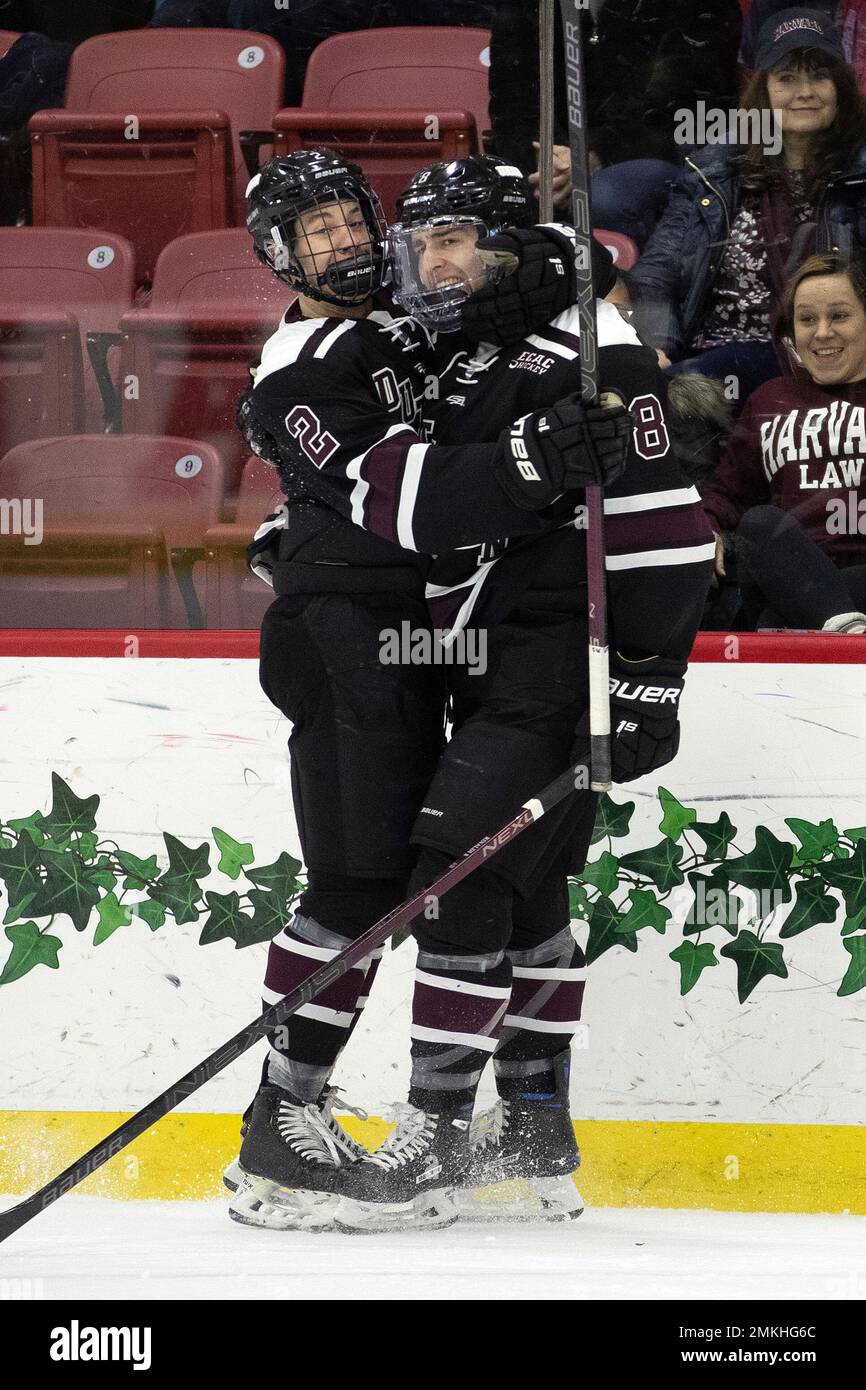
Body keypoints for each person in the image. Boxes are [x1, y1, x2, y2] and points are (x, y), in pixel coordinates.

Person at [231, 154, 714, 1233]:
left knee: (487, 883)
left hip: (533, 656)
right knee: (381, 883)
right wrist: (533, 451)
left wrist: (646, 677)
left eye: (349, 222)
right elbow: (417, 499)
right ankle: (288, 1113)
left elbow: (668, 532)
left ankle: (485, 1127)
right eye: (308, 235)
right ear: (275, 257)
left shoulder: (531, 341)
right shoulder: (308, 365)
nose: (352, 248)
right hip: (361, 645)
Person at [630, 7, 866, 402]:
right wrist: (655, 347)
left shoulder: (860, 176)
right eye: (787, 77)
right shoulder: (715, 169)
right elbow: (659, 271)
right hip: (708, 360)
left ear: (839, 87)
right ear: (763, 90)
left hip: (826, 357)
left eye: (819, 75)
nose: (805, 91)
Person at [487, 0, 742, 246]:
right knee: (484, 195)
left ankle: (628, 288)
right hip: (554, 163)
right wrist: (546, 163)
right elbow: (512, 98)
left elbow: (683, 99)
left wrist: (594, 153)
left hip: (666, 152)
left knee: (604, 198)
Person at [703, 250, 866, 631]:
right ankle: (848, 637)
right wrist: (705, 528)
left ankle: (832, 627)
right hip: (785, 575)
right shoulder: (769, 399)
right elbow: (728, 492)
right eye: (807, 319)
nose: (822, 332)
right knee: (760, 525)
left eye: (839, 315)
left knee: (780, 617)